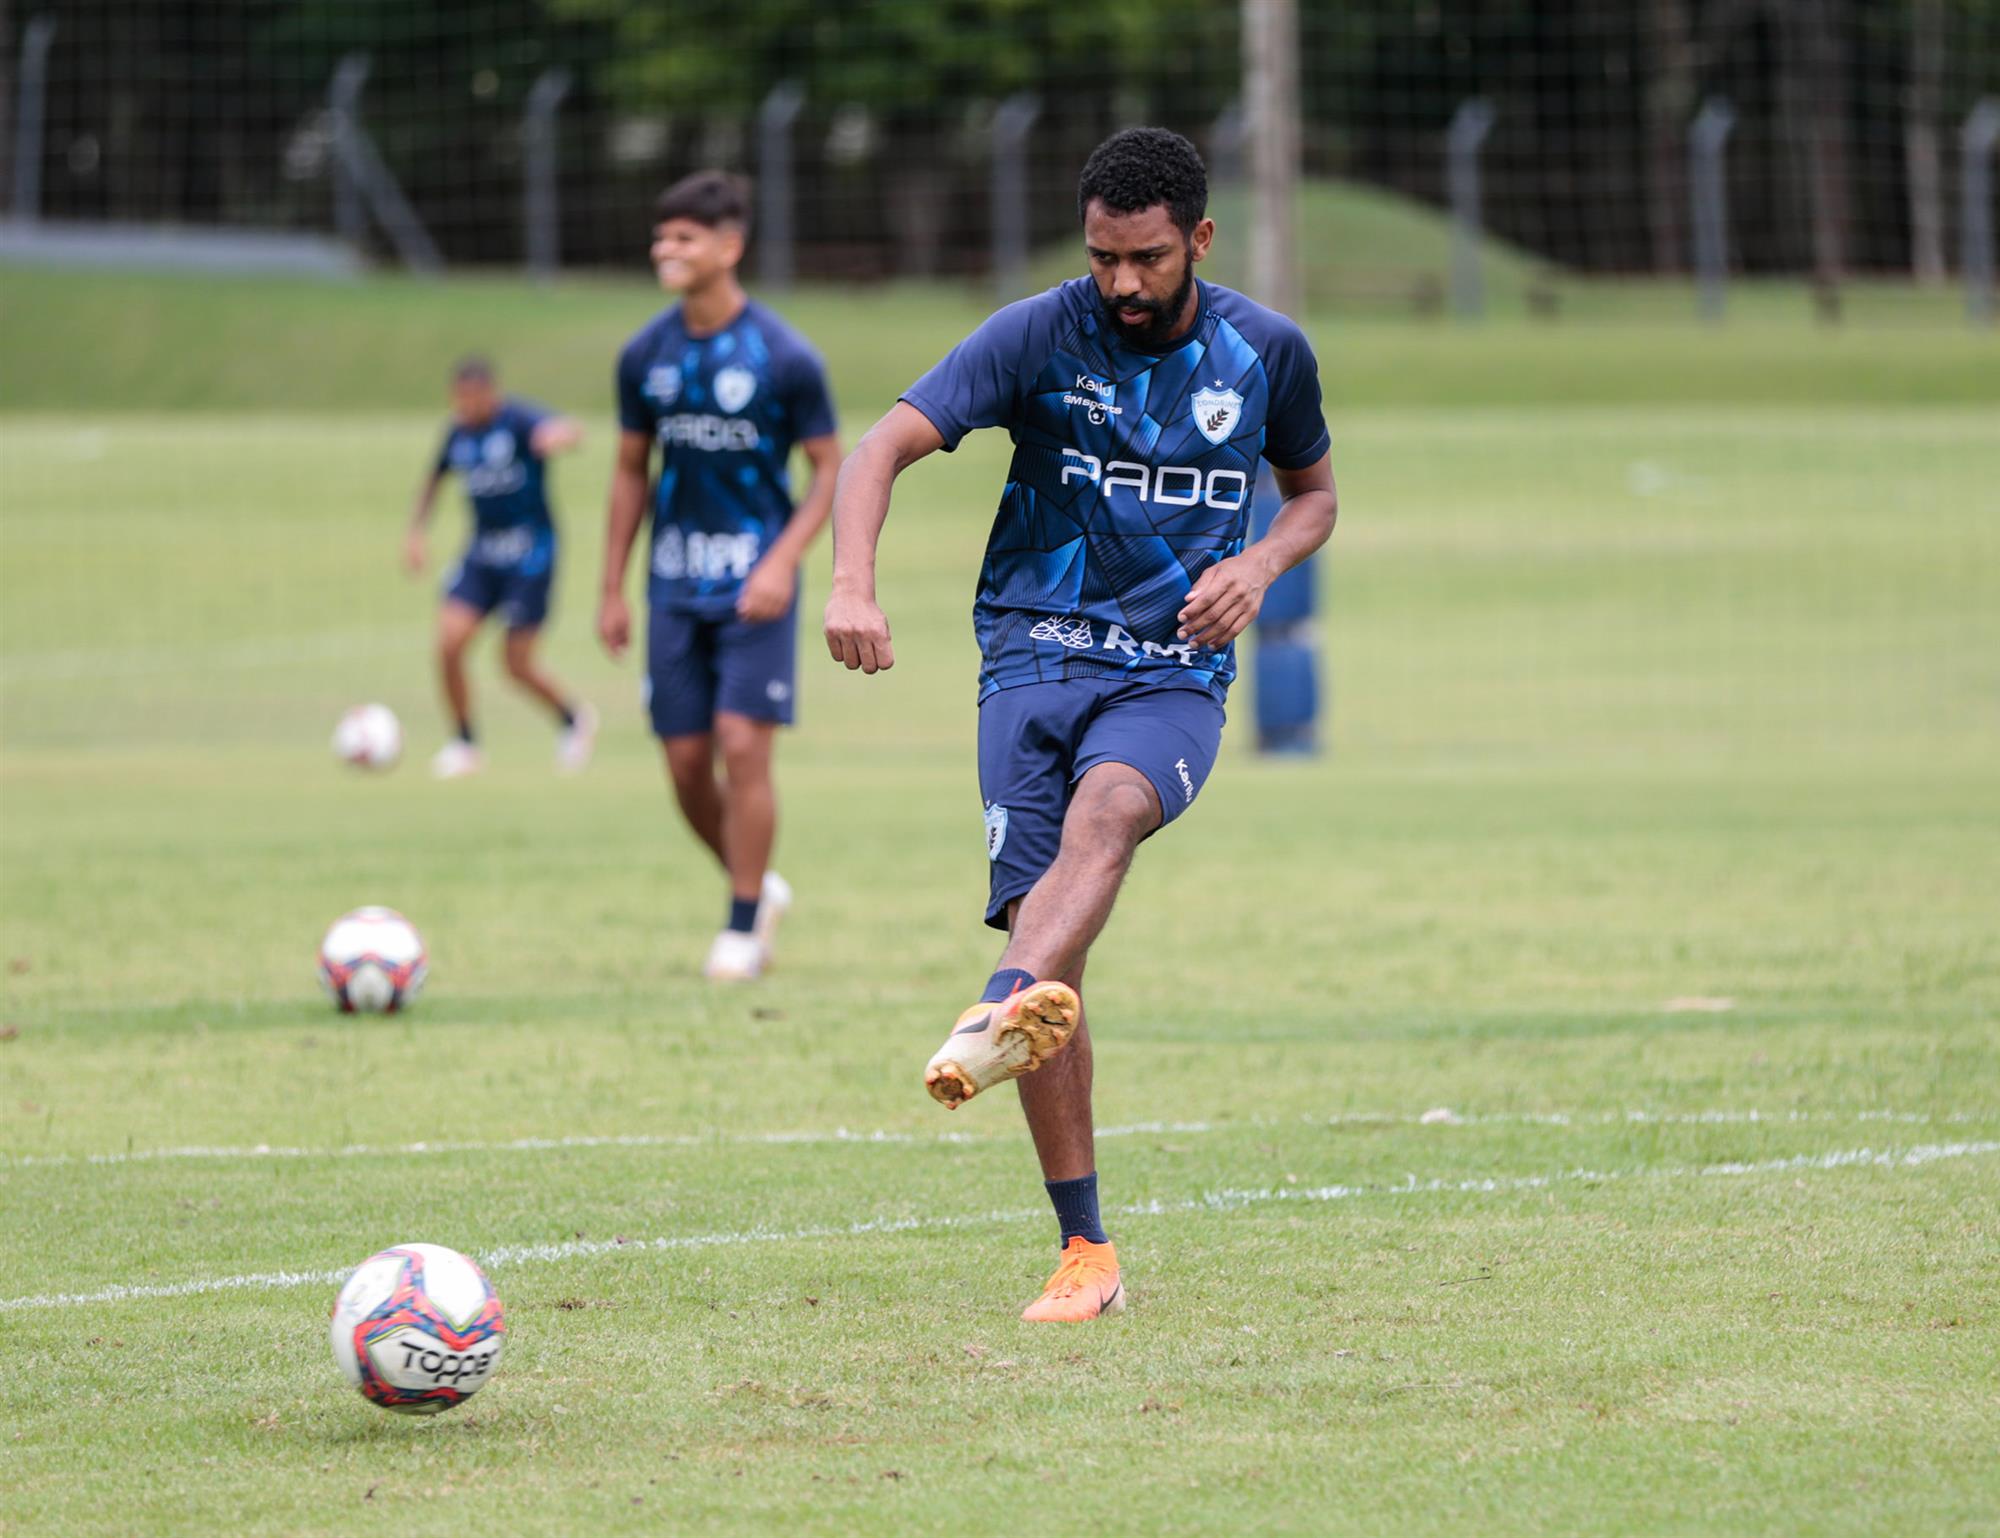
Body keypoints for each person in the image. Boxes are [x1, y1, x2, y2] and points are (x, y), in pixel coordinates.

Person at [823, 128, 1338, 1320]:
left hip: (1171, 669)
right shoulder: (1032, 334)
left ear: (1197, 240)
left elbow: (1312, 496)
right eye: (1103, 255)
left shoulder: (1266, 352)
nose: (1120, 282)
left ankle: (991, 1005)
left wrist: (1258, 563)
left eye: (1146, 258)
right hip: (1029, 654)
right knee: (1055, 942)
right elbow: (879, 446)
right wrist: (850, 581)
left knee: (1105, 821)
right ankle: (1084, 1249)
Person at [599, 171, 842, 982]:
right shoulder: (645, 355)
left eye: (685, 237)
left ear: (729, 247)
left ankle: (741, 925)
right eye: (662, 236)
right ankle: (757, 883)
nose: (666, 249)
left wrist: (782, 561)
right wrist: (610, 587)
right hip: (672, 586)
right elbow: (631, 471)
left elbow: (829, 471)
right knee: (682, 763)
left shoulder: (784, 356)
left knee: (742, 746)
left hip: (754, 589)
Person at [406, 357, 594, 780]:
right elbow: (433, 480)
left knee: (515, 664)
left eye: (471, 399)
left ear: (491, 393)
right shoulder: (457, 434)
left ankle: (573, 720)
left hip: (530, 555)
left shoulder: (519, 420)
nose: (464, 407)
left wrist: (559, 437)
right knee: (449, 643)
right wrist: (416, 533)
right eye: (458, 400)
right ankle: (464, 743)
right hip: (482, 554)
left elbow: (570, 429)